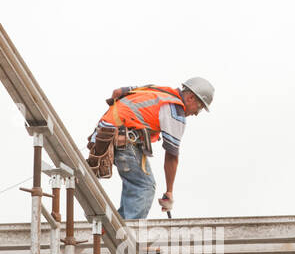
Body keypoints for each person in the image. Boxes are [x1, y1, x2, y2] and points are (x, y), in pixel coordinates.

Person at [85, 77, 214, 220]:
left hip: (101, 137)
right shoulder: (175, 109)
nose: (196, 113)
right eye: (200, 107)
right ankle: (128, 232)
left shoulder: (156, 90)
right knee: (144, 186)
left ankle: (119, 223)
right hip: (123, 139)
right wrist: (169, 192)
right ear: (190, 98)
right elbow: (172, 156)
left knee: (135, 184)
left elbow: (117, 92)